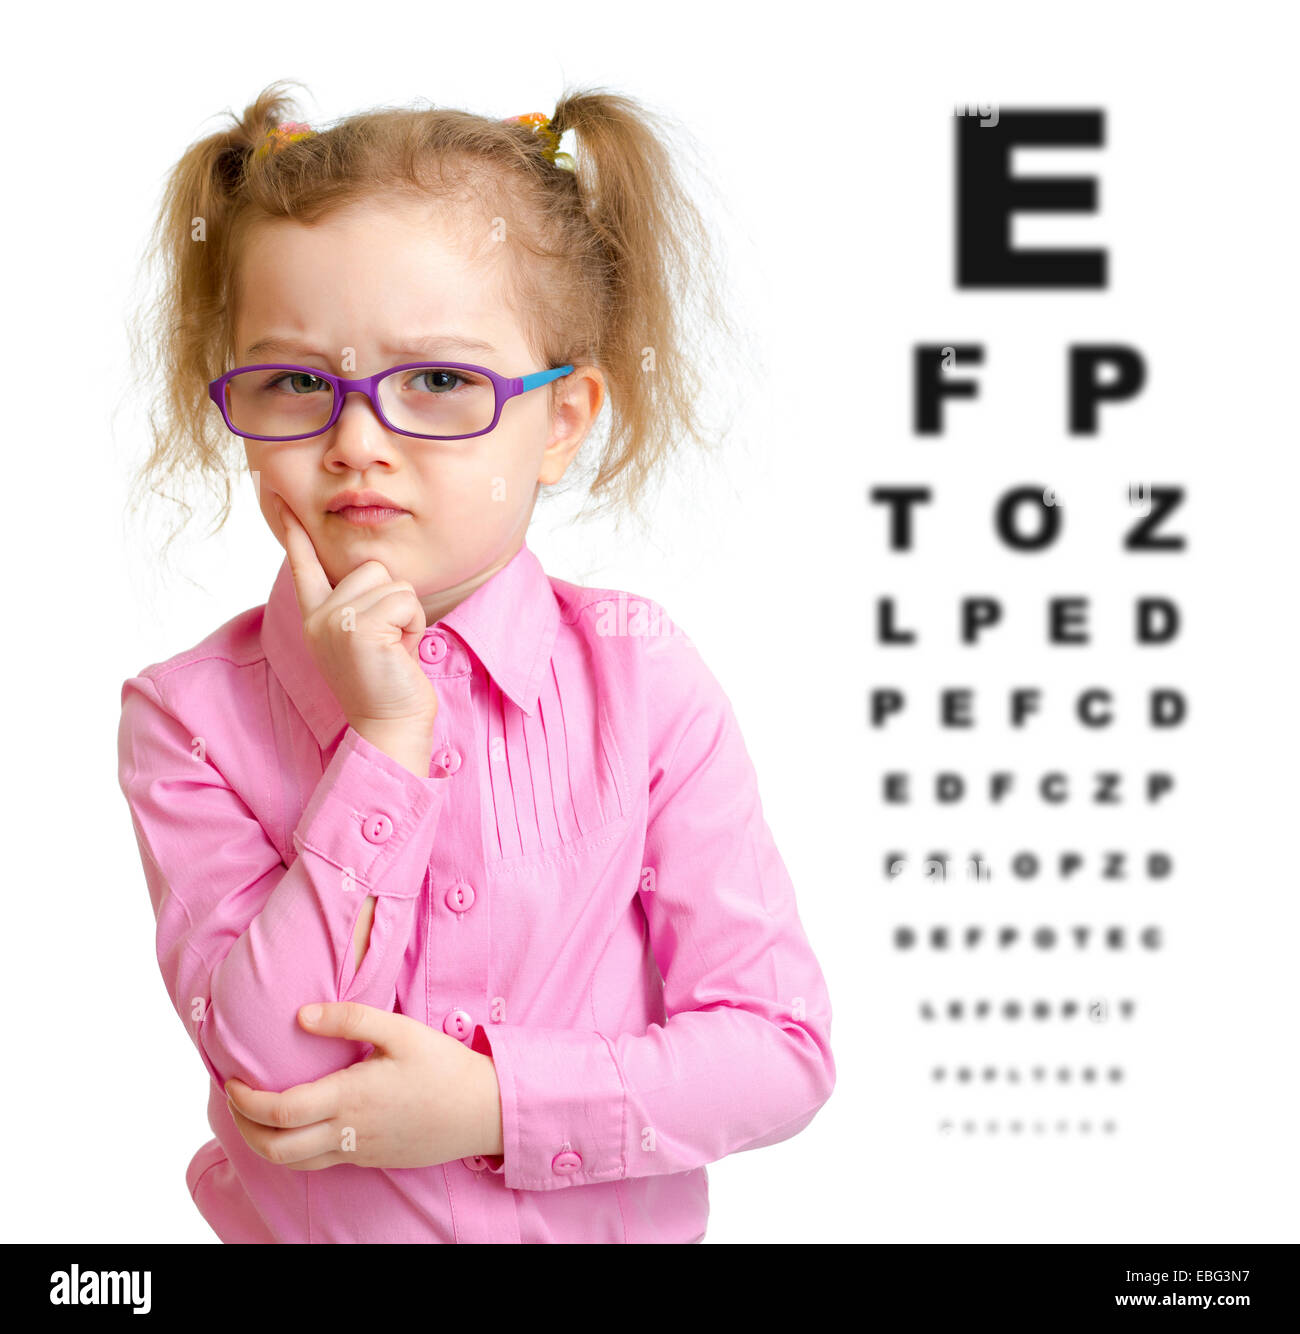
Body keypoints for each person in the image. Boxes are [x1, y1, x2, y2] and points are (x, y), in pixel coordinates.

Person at [117, 80, 835, 1244]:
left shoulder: (644, 682)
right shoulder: (188, 717)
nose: (357, 442)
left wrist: (493, 1102)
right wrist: (386, 747)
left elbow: (777, 1048)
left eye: (439, 382)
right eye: (298, 381)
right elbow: (279, 1062)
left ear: (560, 420)